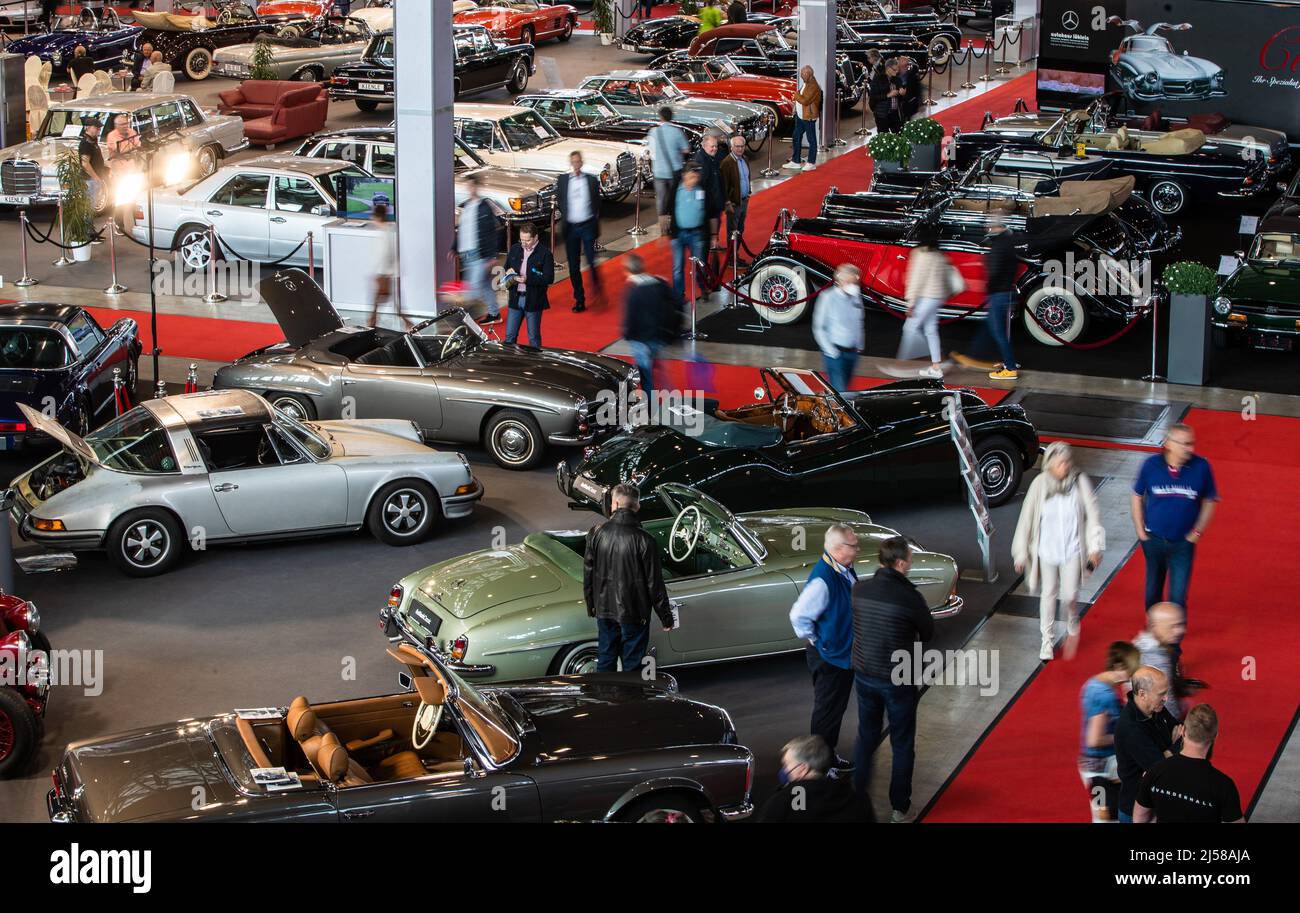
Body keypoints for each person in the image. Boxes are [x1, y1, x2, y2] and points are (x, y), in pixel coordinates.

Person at [851, 536, 934, 823]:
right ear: (900, 563)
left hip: (863, 674)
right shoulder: (910, 597)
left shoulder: (859, 590)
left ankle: (856, 798)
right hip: (898, 679)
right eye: (909, 559)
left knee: (866, 738)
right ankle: (899, 807)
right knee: (901, 742)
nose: (911, 562)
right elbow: (928, 632)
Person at [1011, 441, 1105, 661]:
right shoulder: (1039, 484)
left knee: (1070, 594)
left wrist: (1095, 546)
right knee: (1048, 594)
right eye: (1061, 463)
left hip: (1072, 549)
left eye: (1067, 462)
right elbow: (1026, 519)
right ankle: (1047, 640)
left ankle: (1072, 616)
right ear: (1050, 465)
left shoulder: (1079, 481)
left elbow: (1093, 514)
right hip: (1047, 551)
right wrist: (1021, 553)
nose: (1066, 466)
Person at [583, 483, 675, 674]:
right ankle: (629, 699)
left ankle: (605, 698)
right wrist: (666, 617)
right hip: (634, 613)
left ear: (614, 504)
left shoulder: (596, 533)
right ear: (637, 506)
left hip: (604, 609)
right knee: (632, 663)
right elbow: (654, 583)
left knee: (606, 656)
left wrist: (592, 605)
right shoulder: (645, 540)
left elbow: (589, 573)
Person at [789, 524, 860, 770]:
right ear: (838, 549)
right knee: (826, 713)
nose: (857, 549)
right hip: (830, 657)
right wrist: (818, 640)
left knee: (835, 710)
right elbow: (798, 616)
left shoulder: (843, 569)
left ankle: (827, 756)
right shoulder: (823, 580)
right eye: (853, 545)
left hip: (841, 654)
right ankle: (819, 767)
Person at [1131, 423, 1217, 613]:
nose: (1190, 449)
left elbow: (1211, 500)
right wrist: (1140, 531)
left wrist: (1196, 533)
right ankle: (1154, 634)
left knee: (1178, 596)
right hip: (1153, 540)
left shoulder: (1201, 467)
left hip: (1183, 543)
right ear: (1169, 444)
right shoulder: (1150, 466)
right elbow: (1137, 495)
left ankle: (1173, 641)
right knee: (1152, 592)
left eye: (1192, 443)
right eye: (1185, 444)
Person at [1134, 704, 1244, 823]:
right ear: (1215, 737)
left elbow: (1139, 817)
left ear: (1183, 731)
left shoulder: (1155, 771)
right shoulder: (1223, 785)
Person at [1078, 641, 1140, 823]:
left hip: (1097, 767)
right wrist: (1124, 737)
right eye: (1130, 670)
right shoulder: (1104, 696)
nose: (1131, 675)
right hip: (1102, 770)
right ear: (1119, 666)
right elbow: (1094, 739)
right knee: (1108, 818)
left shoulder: (1094, 684)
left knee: (1103, 816)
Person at [952, 218, 1019, 379]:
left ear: (997, 226)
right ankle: (975, 356)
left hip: (998, 293)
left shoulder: (998, 245)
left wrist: (990, 289)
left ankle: (1010, 368)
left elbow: (994, 271)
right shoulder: (1009, 242)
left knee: (998, 332)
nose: (988, 229)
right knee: (990, 329)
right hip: (1005, 292)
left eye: (990, 226)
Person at [1114, 666, 1182, 823]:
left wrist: (1166, 752)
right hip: (1136, 812)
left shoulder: (1156, 708)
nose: (1166, 698)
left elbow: (1183, 732)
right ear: (1142, 694)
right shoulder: (1130, 728)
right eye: (1161, 694)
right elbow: (1160, 769)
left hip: (1157, 804)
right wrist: (1172, 747)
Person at [756, 736, 875, 823]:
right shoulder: (857, 797)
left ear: (802, 769)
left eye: (786, 765)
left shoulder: (784, 800)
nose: (784, 770)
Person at [893, 224, 953, 378]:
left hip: (925, 298)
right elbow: (946, 279)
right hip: (937, 298)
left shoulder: (919, 253)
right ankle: (936, 366)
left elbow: (915, 280)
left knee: (910, 328)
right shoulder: (939, 254)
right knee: (931, 331)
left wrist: (911, 303)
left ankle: (901, 364)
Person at [621, 252, 681, 396]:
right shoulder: (659, 282)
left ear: (627, 270)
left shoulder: (633, 291)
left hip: (641, 340)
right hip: (660, 336)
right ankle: (670, 402)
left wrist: (627, 335)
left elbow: (630, 317)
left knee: (646, 377)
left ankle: (651, 410)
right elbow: (678, 303)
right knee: (661, 373)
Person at [555, 150, 602, 314]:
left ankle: (597, 289)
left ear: (582, 163)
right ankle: (579, 299)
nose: (576, 165)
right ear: (570, 163)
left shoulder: (591, 180)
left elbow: (597, 202)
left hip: (588, 225)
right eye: (573, 162)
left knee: (591, 261)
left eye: (578, 162)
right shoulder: (562, 181)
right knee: (573, 267)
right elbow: (561, 200)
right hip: (571, 228)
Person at [455, 172, 502, 325]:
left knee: (473, 289)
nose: (469, 188)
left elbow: (492, 232)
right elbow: (463, 229)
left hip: (479, 254)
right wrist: (454, 248)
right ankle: (494, 314)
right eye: (467, 185)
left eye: (471, 185)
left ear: (476, 186)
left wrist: (492, 256)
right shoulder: (467, 205)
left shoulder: (484, 207)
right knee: (484, 285)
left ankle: (464, 321)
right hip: (467, 253)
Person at [811, 264, 865, 391]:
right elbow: (818, 327)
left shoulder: (856, 297)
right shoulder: (827, 297)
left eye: (856, 282)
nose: (854, 286)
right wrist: (832, 352)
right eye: (851, 282)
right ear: (841, 281)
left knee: (844, 388)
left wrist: (860, 345)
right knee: (840, 392)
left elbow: (859, 321)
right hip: (836, 355)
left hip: (852, 353)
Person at [501, 222, 553, 347]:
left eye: (527, 240)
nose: (524, 243)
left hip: (533, 300)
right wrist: (508, 271)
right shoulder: (515, 249)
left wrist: (527, 279)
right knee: (509, 336)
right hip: (515, 297)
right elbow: (506, 267)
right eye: (521, 240)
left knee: (533, 337)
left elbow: (549, 278)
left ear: (535, 237)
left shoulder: (545, 254)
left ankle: (536, 362)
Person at [1133, 602, 1187, 720]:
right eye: (1173, 626)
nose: (1181, 630)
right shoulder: (1156, 661)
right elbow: (1167, 704)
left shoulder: (1140, 644)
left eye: (1181, 625)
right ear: (1155, 626)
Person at [669, 163, 708, 304]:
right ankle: (678, 296)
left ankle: (703, 288)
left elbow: (706, 210)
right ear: (685, 176)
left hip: (696, 233)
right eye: (692, 177)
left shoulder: (701, 188)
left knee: (699, 266)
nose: (694, 180)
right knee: (677, 267)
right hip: (678, 234)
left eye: (696, 177)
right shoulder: (676, 189)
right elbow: (668, 209)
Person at [649, 106, 690, 227]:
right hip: (674, 170)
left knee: (661, 200)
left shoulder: (653, 132)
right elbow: (686, 150)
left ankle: (663, 229)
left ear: (660, 117)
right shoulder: (677, 132)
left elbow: (651, 151)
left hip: (658, 171)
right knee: (674, 198)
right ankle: (673, 224)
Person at [367, 203, 402, 328]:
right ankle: (372, 323)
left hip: (384, 273)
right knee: (387, 303)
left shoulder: (385, 233)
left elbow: (385, 255)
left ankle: (371, 324)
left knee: (379, 303)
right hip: (386, 273)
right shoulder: (388, 231)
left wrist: (381, 273)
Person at [719, 133, 751, 260]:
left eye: (742, 146)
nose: (740, 149)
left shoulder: (745, 159)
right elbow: (724, 185)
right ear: (731, 147)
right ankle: (732, 257)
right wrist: (727, 202)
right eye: (737, 146)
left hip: (744, 200)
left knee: (740, 229)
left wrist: (748, 193)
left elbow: (747, 177)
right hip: (733, 203)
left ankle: (734, 254)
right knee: (733, 231)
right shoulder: (727, 163)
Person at [785, 65, 822, 171]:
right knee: (796, 136)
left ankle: (811, 162)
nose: (801, 75)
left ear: (810, 74)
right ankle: (795, 161)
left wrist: (796, 95)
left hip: (808, 117)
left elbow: (805, 100)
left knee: (812, 140)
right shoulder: (806, 83)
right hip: (800, 116)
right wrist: (795, 107)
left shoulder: (813, 86)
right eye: (801, 73)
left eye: (804, 73)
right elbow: (802, 99)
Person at [690, 132, 724, 246]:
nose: (715, 149)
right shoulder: (699, 161)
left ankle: (714, 241)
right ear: (704, 146)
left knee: (716, 220)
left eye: (716, 146)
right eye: (712, 146)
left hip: (716, 198)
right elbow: (698, 184)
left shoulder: (717, 156)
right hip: (706, 201)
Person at [78, 120, 107, 210]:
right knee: (89, 206)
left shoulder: (93, 141)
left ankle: (88, 223)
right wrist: (96, 178)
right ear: (88, 127)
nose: (98, 130)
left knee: (93, 205)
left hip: (94, 178)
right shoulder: (86, 143)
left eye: (99, 128)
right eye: (96, 127)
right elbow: (85, 163)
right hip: (90, 180)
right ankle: (86, 224)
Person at [868, 57, 901, 134]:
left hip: (895, 113)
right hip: (882, 114)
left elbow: (901, 96)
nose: (897, 72)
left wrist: (902, 93)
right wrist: (888, 95)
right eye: (894, 70)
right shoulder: (878, 79)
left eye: (897, 69)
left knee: (899, 135)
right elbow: (873, 97)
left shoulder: (897, 79)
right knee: (883, 138)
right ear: (888, 68)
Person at [894, 56, 922, 122]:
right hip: (898, 107)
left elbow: (918, 91)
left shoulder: (912, 76)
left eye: (906, 65)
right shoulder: (894, 76)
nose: (906, 67)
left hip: (910, 105)